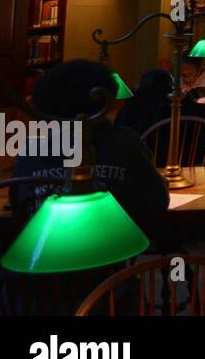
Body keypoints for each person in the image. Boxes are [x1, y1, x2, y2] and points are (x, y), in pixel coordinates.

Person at [10, 60, 169, 231]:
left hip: (43, 250)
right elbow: (157, 202)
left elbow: (18, 206)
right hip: (113, 250)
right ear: (106, 100)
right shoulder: (124, 142)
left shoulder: (31, 152)